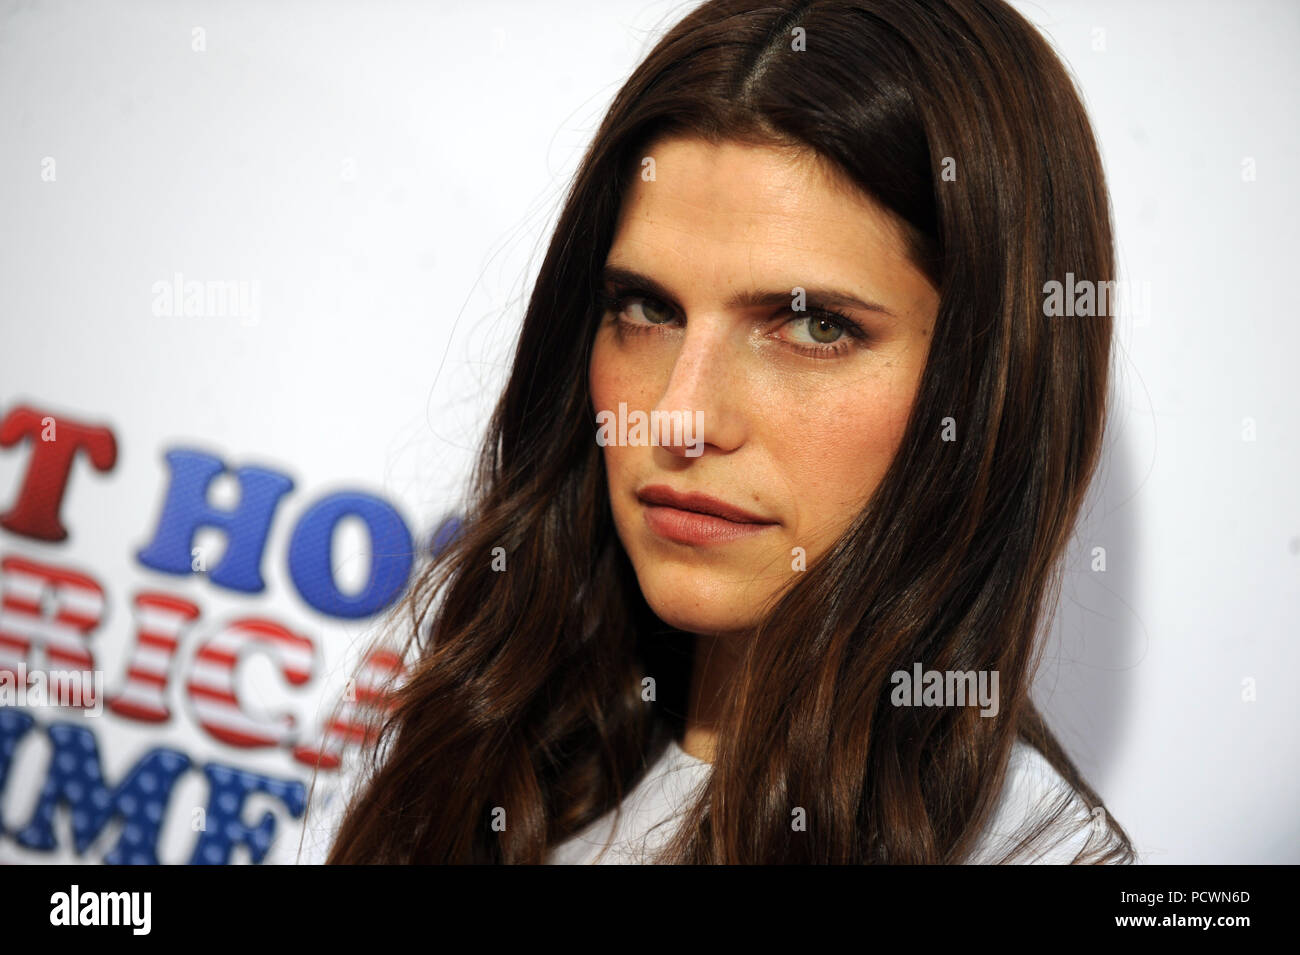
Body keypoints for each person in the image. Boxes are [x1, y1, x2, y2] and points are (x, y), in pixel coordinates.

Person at [315, 0, 1137, 864]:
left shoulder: (1030, 853)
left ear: (987, 381)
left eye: (813, 325)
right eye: (646, 308)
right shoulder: (504, 757)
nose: (678, 415)